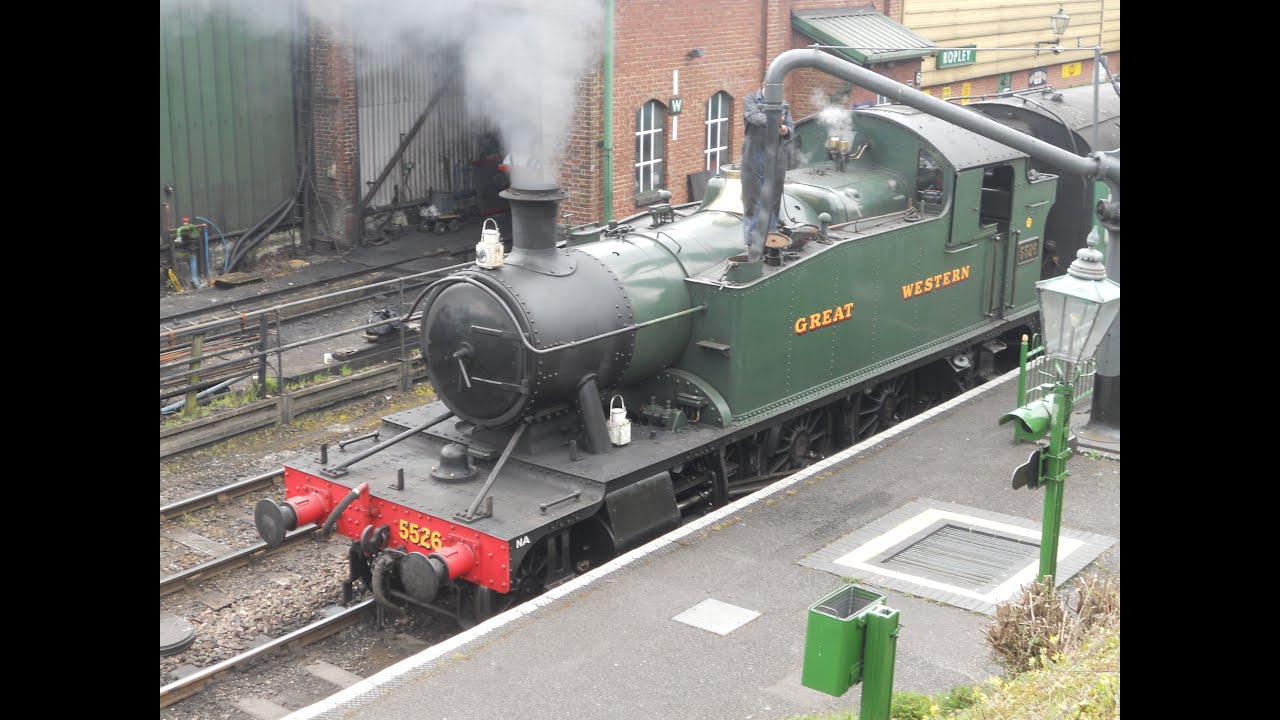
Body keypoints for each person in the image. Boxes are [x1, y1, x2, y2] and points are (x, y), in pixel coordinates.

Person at [740, 83, 795, 246]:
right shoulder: (750, 100)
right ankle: (752, 240)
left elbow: (791, 127)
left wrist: (785, 130)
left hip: (776, 154)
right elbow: (753, 117)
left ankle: (770, 237)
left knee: (773, 196)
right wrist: (776, 122)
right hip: (754, 153)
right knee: (753, 197)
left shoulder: (783, 104)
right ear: (764, 85)